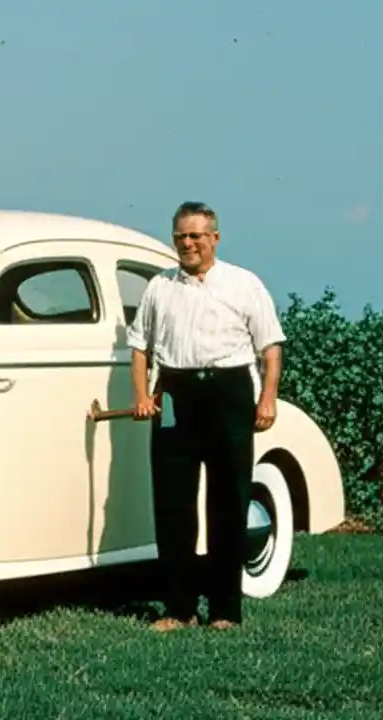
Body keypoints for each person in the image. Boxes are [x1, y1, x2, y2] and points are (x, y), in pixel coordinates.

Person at [125, 200, 286, 631]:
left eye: (196, 236)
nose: (188, 244)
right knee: (173, 505)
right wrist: (142, 395)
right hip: (175, 394)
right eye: (180, 236)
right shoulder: (159, 286)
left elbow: (270, 348)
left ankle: (225, 610)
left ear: (215, 238)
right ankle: (178, 608)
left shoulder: (244, 284)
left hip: (229, 392)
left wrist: (266, 398)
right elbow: (139, 347)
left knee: (228, 504)